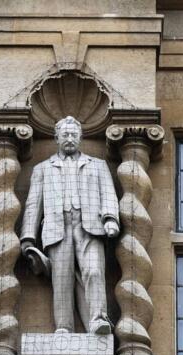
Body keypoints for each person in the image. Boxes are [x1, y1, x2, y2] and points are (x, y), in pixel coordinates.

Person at [20, 116, 120, 335]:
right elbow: (33, 204)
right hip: (57, 228)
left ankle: (98, 319)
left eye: (74, 134)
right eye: (65, 134)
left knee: (94, 271)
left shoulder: (98, 165)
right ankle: (64, 326)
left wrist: (111, 219)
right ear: (56, 138)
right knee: (61, 279)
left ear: (80, 137)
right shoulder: (42, 169)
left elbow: (108, 194)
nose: (70, 138)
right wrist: (28, 237)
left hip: (90, 227)